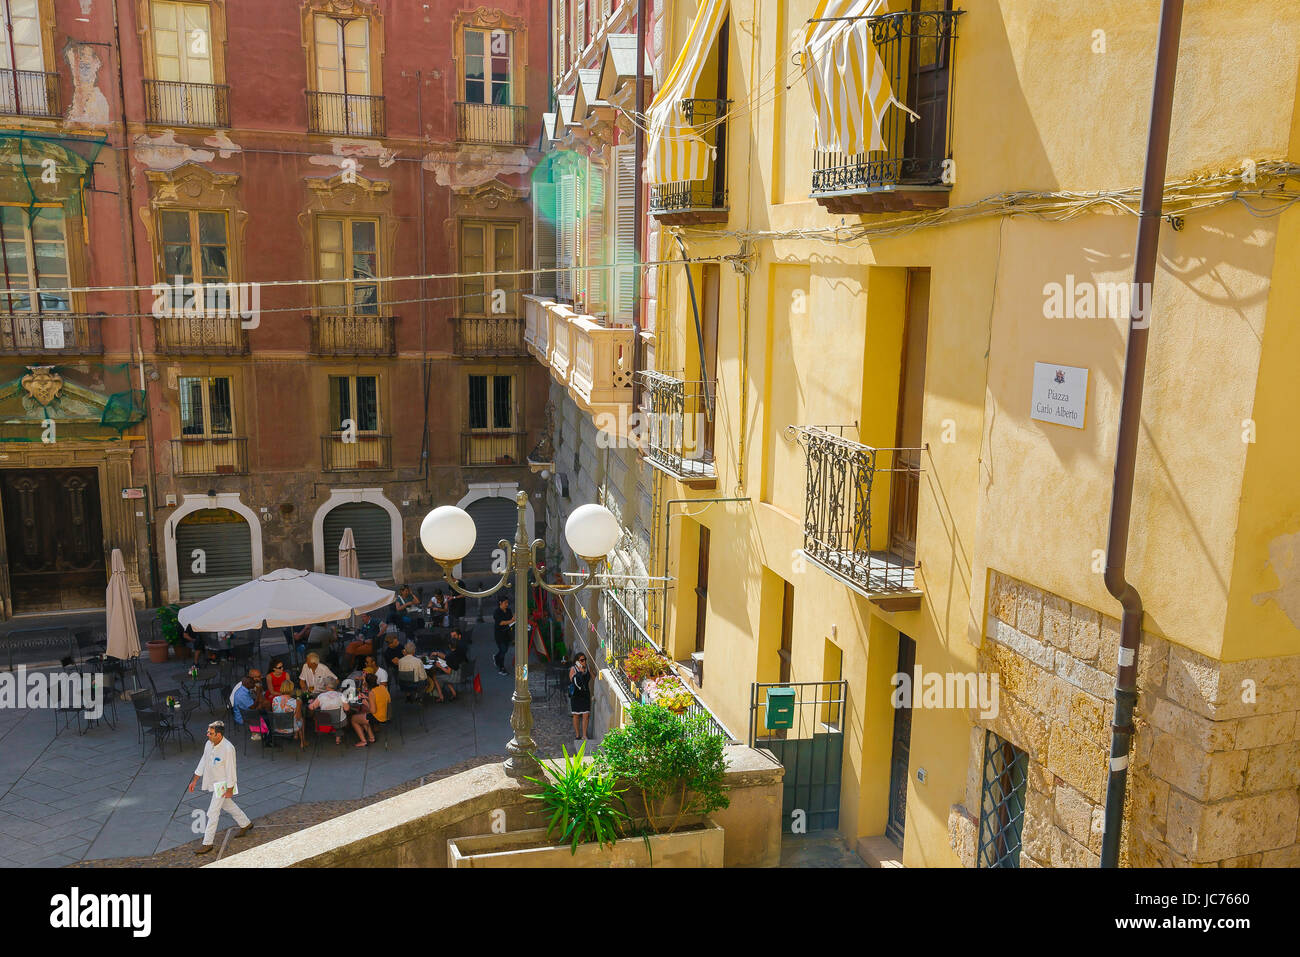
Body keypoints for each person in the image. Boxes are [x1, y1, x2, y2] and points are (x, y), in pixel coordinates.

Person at [189, 721, 252, 855]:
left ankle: (207, 843)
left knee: (212, 813)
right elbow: (203, 761)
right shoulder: (208, 744)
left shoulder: (228, 748)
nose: (207, 735)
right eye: (208, 732)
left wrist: (230, 789)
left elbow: (231, 770)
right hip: (214, 783)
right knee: (228, 806)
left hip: (223, 785)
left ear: (218, 735)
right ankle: (246, 823)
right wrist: (194, 780)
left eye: (210, 733)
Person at [308, 676, 371, 747]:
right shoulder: (341, 695)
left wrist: (311, 702)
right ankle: (338, 736)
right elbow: (347, 709)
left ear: (326, 686)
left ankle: (337, 735)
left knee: (320, 717)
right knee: (339, 718)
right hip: (340, 722)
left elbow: (311, 707)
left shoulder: (321, 696)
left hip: (325, 723)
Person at [231, 671, 268, 742]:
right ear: (248, 684)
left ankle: (264, 723)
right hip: (242, 716)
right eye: (253, 683)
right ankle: (257, 732)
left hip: (242, 710)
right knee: (262, 706)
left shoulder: (243, 688)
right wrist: (258, 693)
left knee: (263, 704)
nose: (254, 684)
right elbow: (253, 707)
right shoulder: (242, 694)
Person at [269, 678, 305, 749]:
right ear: (292, 689)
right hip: (290, 728)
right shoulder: (296, 701)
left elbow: (275, 713)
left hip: (277, 727)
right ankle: (302, 742)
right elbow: (298, 717)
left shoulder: (275, 699)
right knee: (302, 720)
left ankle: (296, 735)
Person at [569, 652, 593, 744]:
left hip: (585, 694)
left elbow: (594, 677)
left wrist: (591, 672)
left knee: (586, 715)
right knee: (576, 715)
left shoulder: (588, 668)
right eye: (582, 660)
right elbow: (572, 680)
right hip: (576, 695)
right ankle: (577, 734)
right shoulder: (573, 669)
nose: (584, 662)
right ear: (577, 661)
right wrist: (579, 672)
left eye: (585, 660)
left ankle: (584, 735)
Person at [493, 597, 515, 677]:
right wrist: (511, 621)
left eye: (507, 603)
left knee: (504, 650)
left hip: (507, 633)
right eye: (505, 603)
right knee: (503, 650)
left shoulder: (508, 610)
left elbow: (511, 619)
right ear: (500, 603)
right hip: (499, 634)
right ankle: (501, 668)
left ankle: (496, 657)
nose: (507, 604)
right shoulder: (496, 612)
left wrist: (513, 619)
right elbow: (500, 623)